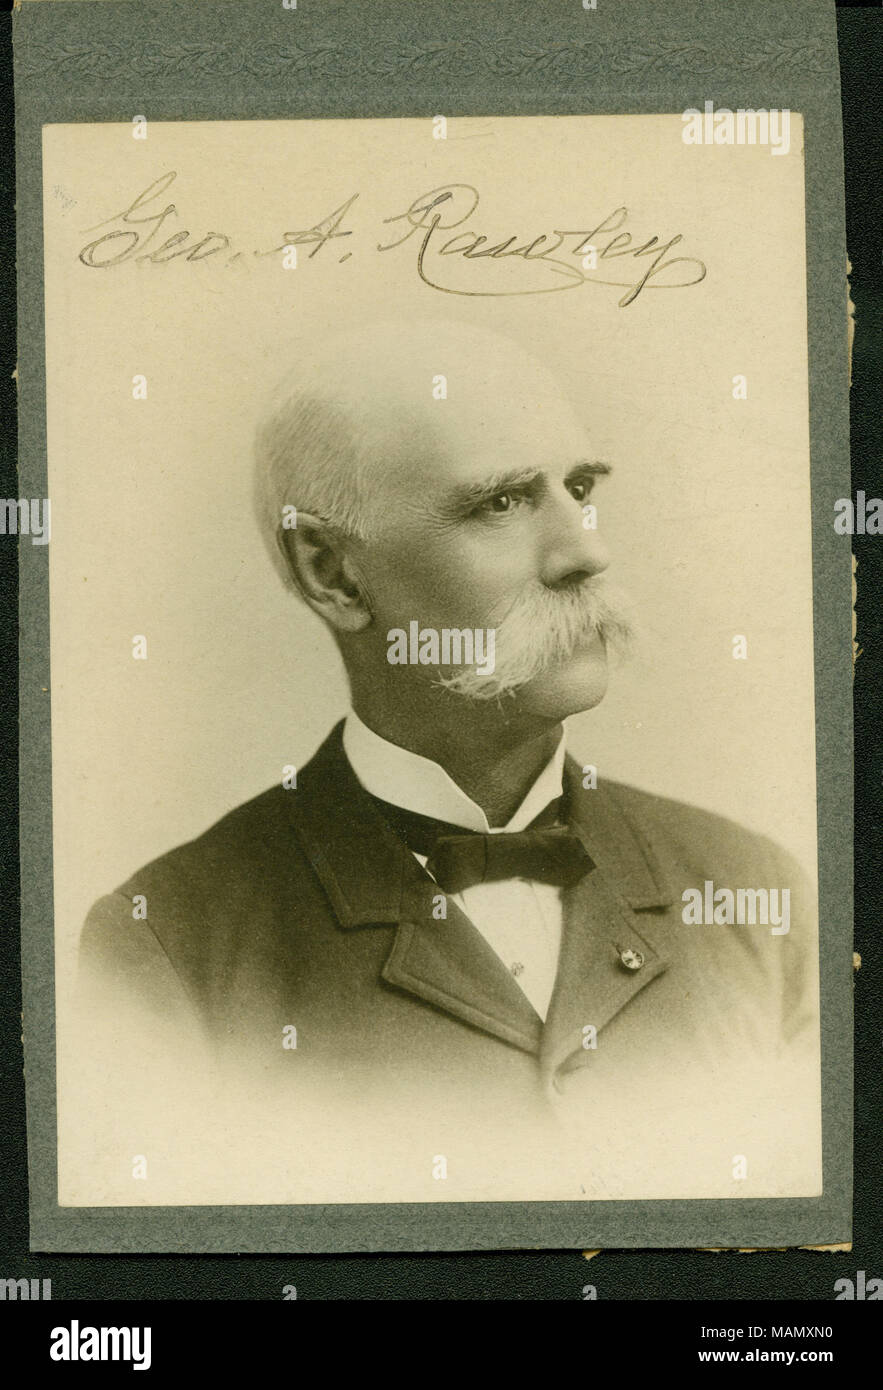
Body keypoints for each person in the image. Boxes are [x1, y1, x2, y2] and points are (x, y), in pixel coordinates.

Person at [77, 320, 820, 1199]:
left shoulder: (752, 889)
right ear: (334, 575)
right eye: (499, 503)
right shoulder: (167, 949)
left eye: (577, 486)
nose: (586, 549)